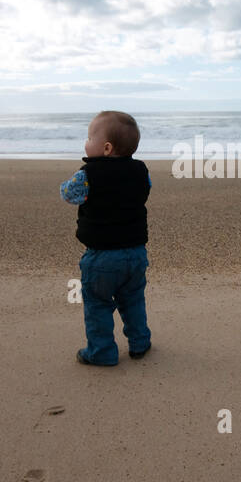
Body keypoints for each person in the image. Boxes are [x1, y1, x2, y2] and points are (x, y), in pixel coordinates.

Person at [59, 111, 152, 366]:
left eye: (89, 137)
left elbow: (68, 194)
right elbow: (147, 188)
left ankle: (102, 352)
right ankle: (140, 343)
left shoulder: (88, 174)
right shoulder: (140, 170)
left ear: (107, 148)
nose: (85, 142)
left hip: (101, 258)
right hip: (135, 253)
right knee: (133, 299)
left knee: (98, 305)